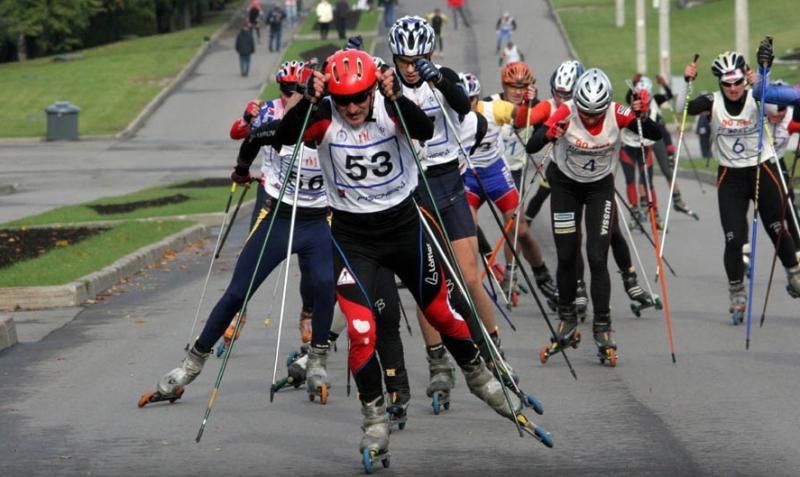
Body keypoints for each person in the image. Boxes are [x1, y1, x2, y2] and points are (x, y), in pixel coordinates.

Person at [275, 48, 535, 462]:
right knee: (363, 331)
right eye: (344, 100)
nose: (354, 107)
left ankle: (480, 379)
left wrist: (394, 98)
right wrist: (308, 98)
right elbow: (284, 136)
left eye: (360, 96)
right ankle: (374, 420)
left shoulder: (387, 106)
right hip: (354, 239)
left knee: (442, 312)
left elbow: (424, 130)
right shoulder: (323, 114)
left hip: (404, 229)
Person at [138, 61, 338, 409]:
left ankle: (317, 360)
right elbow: (247, 145)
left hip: (319, 220)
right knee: (236, 292)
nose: (290, 99)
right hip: (278, 216)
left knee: (325, 286)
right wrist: (243, 171)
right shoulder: (275, 125)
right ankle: (188, 367)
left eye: (301, 94)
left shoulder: (335, 128)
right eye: (289, 93)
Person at [389, 16, 548, 396]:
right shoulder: (387, 86)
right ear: (395, 58)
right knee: (428, 287)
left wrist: (437, 77)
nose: (411, 68)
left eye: (418, 59)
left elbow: (463, 105)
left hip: (448, 184)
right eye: (404, 61)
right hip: (413, 188)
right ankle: (437, 360)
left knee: (469, 277)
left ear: (429, 53)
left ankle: (493, 350)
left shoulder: (443, 77)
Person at [527, 68, 660, 366]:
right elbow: (531, 145)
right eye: (585, 112)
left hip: (599, 188)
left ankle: (602, 325)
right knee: (566, 253)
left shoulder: (617, 112)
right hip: (565, 186)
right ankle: (567, 318)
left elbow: (655, 134)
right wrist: (550, 132)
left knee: (598, 257)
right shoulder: (566, 110)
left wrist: (641, 116)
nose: (588, 119)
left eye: (595, 113)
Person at [683, 52, 800, 322]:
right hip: (730, 177)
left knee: (777, 228)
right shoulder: (712, 102)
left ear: (743, 79)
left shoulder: (757, 96)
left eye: (737, 82)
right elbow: (683, 107)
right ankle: (736, 292)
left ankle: (794, 274)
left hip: (762, 168)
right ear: (720, 83)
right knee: (734, 238)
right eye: (727, 83)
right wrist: (688, 82)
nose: (733, 88)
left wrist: (761, 76)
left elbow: (777, 105)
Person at [459, 72, 559, 312]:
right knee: (466, 225)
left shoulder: (495, 108)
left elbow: (522, 118)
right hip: (469, 177)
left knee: (519, 229)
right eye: (464, 100)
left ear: (478, 98)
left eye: (472, 99)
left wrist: (528, 105)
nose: (468, 105)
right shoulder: (452, 116)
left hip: (495, 174)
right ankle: (488, 260)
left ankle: (542, 276)